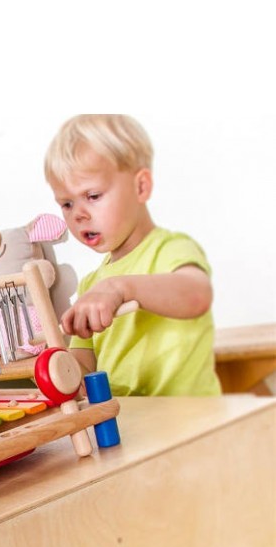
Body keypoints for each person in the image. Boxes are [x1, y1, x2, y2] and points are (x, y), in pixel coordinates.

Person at [44, 114, 221, 396]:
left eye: (92, 196)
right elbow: (85, 371)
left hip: (190, 417)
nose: (78, 214)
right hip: (133, 421)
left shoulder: (171, 248)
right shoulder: (91, 285)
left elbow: (196, 295)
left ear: (140, 187)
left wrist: (119, 288)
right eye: (66, 203)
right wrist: (56, 370)